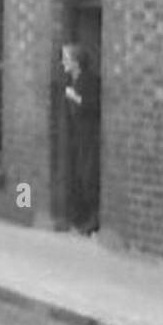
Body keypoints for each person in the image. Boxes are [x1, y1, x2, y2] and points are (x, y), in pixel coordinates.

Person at [61, 42, 100, 234]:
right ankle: (79, 218)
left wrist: (75, 97)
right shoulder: (71, 80)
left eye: (66, 59)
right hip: (75, 135)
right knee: (76, 175)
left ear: (76, 62)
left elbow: (93, 106)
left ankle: (93, 219)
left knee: (88, 176)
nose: (63, 63)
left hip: (88, 135)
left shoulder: (88, 80)